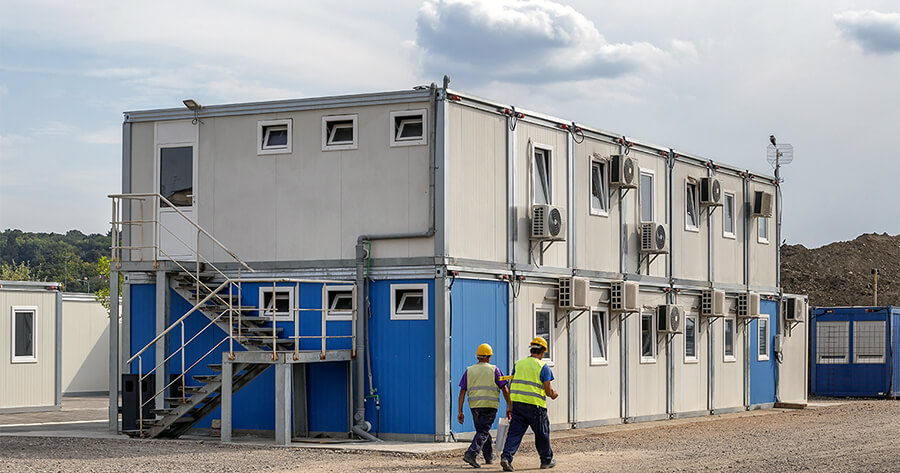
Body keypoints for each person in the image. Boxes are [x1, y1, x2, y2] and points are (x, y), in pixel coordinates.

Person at [500, 337, 558, 471]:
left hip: (518, 405)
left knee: (514, 434)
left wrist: (510, 406)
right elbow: (548, 390)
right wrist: (553, 394)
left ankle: (506, 458)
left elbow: (512, 384)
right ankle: (546, 460)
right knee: (542, 433)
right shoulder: (543, 367)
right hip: (536, 407)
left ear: (531, 350)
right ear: (543, 352)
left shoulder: (518, 364)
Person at [457, 343, 512, 469]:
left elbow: (462, 392)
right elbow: (504, 389)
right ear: (489, 357)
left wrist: (460, 411)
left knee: (482, 430)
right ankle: (471, 453)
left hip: (474, 407)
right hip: (489, 406)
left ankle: (488, 457)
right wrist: (509, 405)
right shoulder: (494, 370)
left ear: (477, 357)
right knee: (483, 431)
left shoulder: (469, 371)